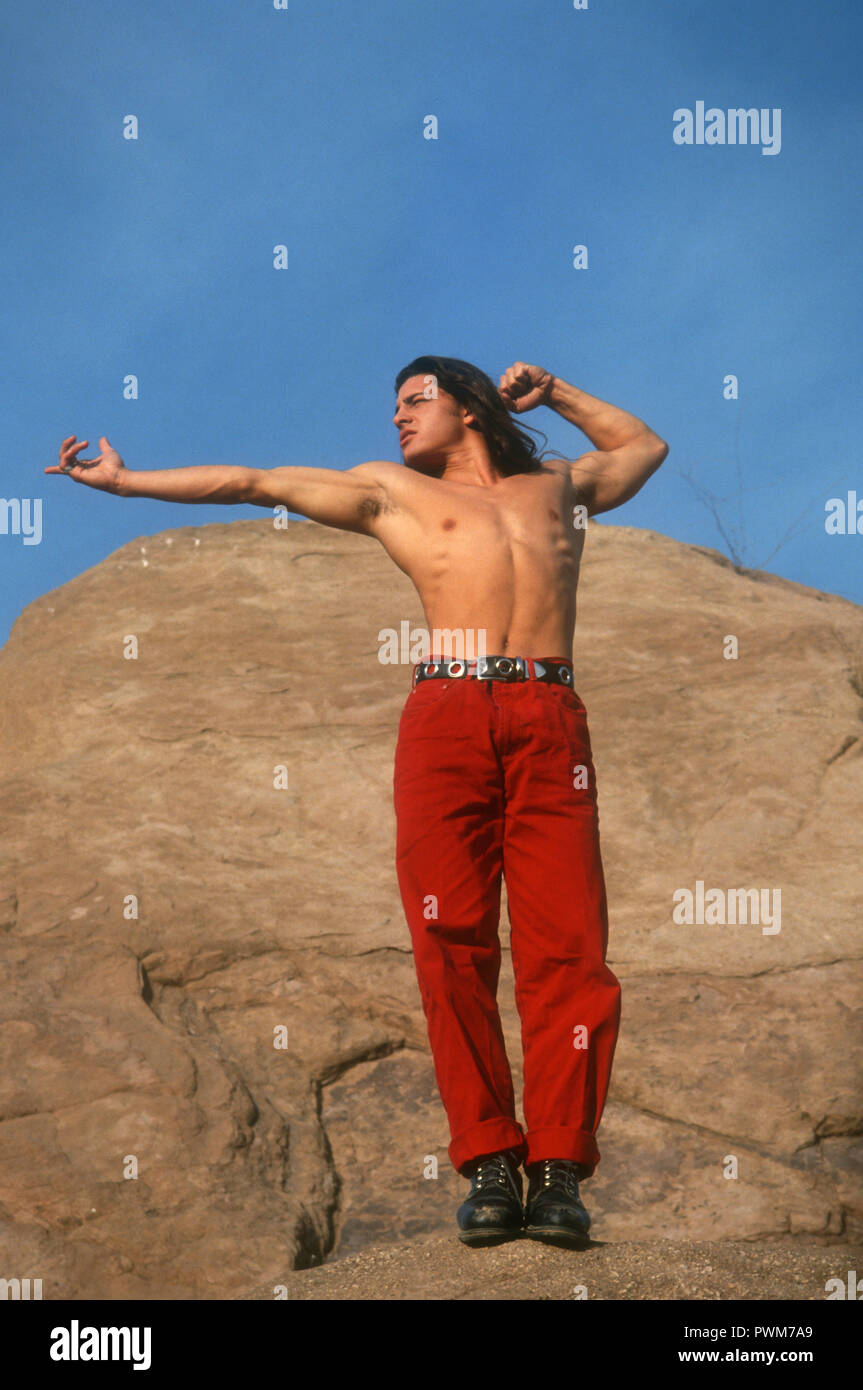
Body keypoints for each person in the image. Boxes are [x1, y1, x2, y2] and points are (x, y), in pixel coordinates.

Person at [48, 356, 668, 1249]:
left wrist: (558, 393)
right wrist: (126, 481)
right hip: (446, 717)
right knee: (448, 941)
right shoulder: (388, 492)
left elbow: (642, 445)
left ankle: (560, 1170)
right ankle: (490, 1163)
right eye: (394, 408)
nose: (397, 421)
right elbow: (255, 481)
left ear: (471, 407)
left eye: (415, 401)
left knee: (568, 949)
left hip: (548, 718)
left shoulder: (559, 487)